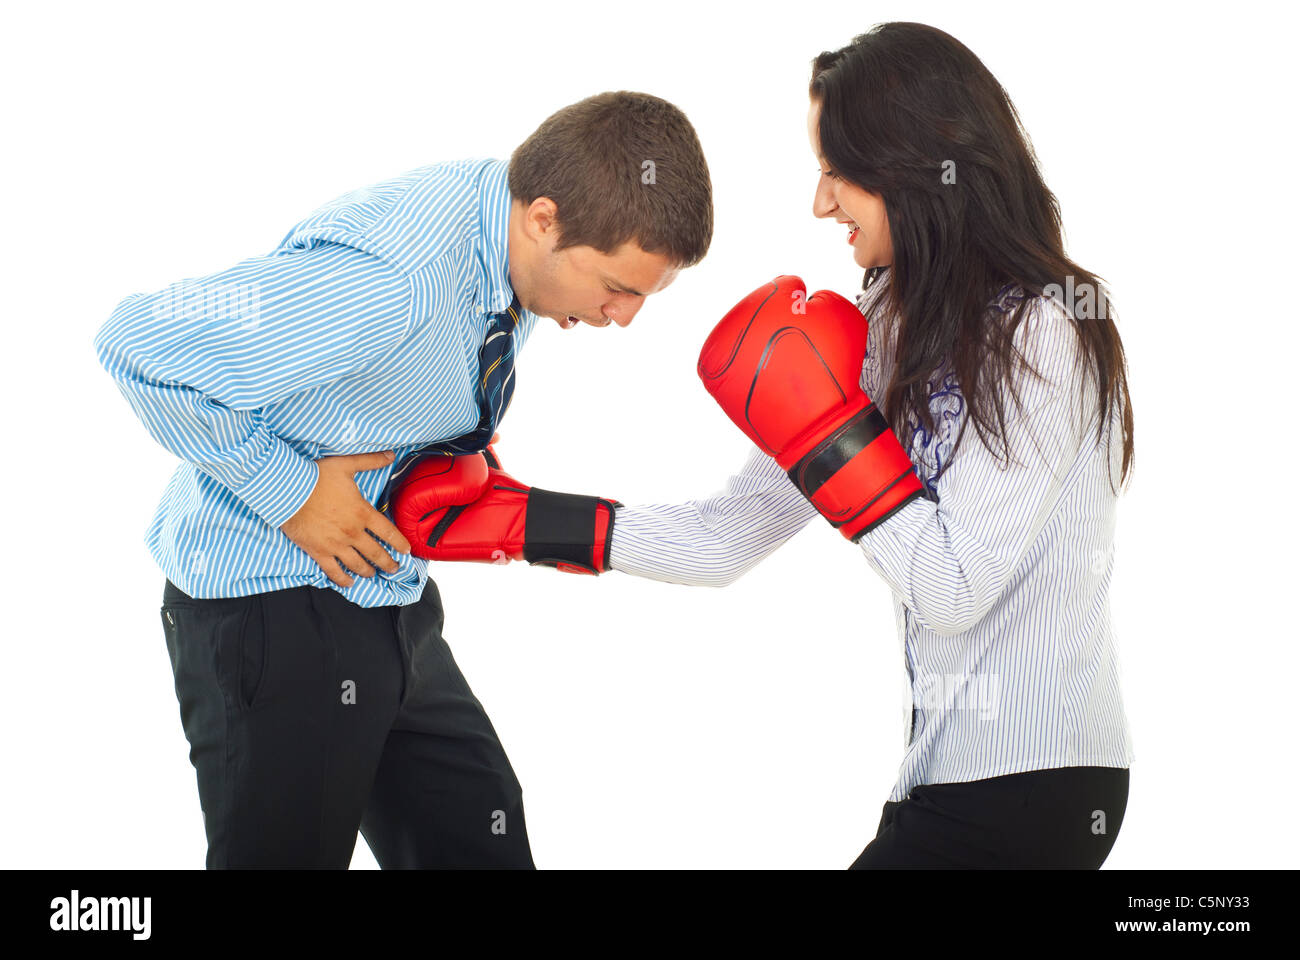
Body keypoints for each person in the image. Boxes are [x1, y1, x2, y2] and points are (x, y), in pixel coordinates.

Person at [392, 23, 1136, 869]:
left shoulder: (1043, 328)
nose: (821, 204)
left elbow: (954, 588)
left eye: (838, 173)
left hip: (1043, 780)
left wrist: (831, 433)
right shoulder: (886, 330)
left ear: (918, 167)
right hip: (942, 780)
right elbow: (728, 534)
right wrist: (522, 521)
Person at [92, 90, 712, 868]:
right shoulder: (396, 279)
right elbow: (141, 346)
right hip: (268, 610)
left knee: (479, 836)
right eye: (619, 287)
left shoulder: (507, 239)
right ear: (545, 218)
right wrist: (294, 496)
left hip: (385, 597)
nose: (623, 316)